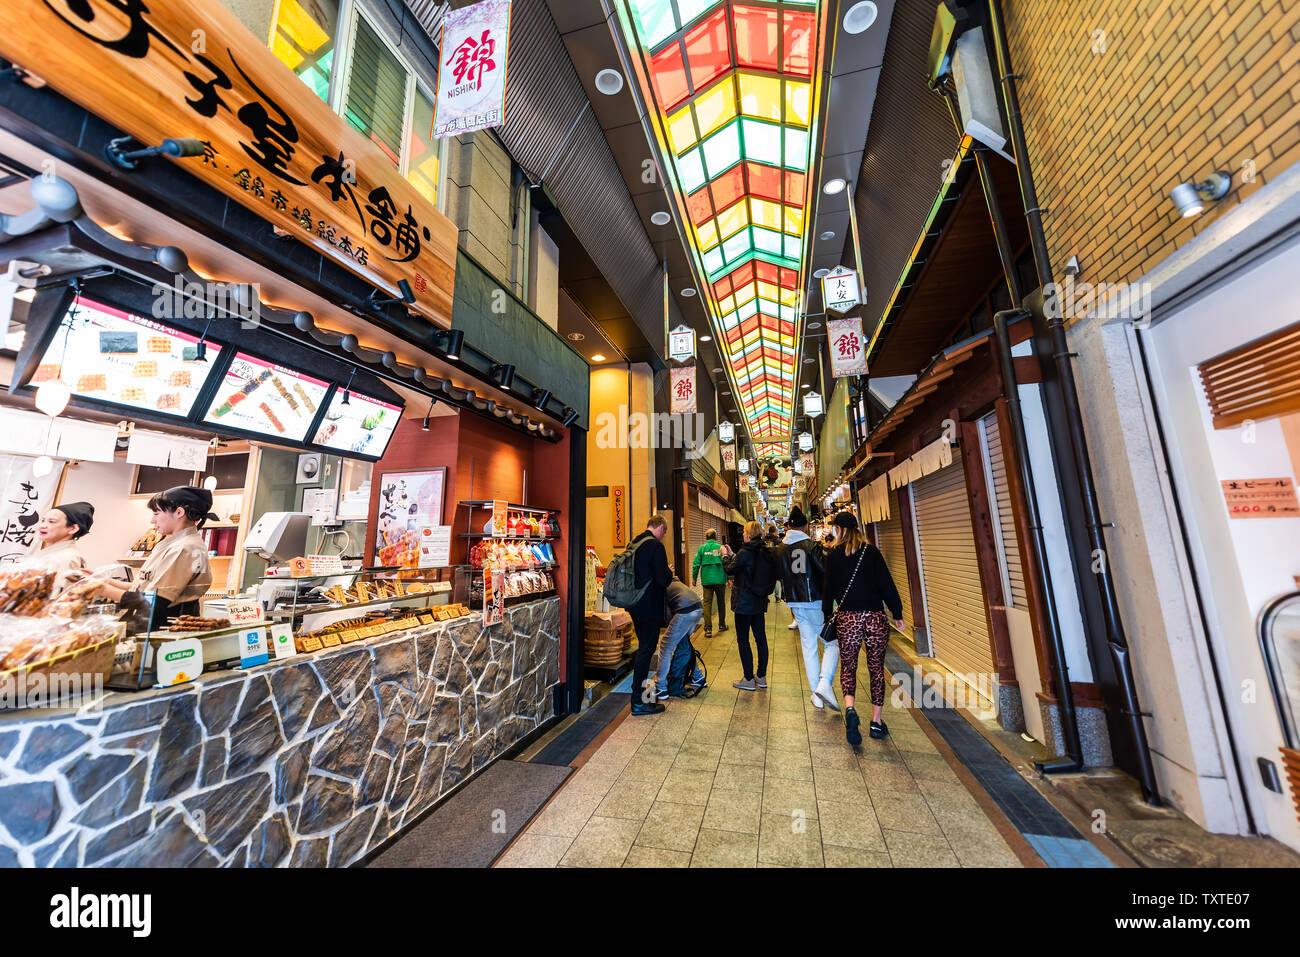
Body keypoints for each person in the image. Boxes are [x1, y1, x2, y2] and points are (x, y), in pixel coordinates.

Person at [822, 512, 905, 747]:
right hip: (874, 617)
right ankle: (876, 723)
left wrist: (827, 615)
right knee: (876, 668)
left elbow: (828, 589)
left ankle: (850, 710)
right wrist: (896, 613)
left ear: (839, 529)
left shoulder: (834, 556)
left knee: (848, 666)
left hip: (848, 618)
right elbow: (886, 584)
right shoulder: (872, 553)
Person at [89, 486, 215, 631]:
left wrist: (98, 588)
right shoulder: (172, 543)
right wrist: (102, 580)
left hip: (165, 632)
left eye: (156, 513)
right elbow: (143, 587)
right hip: (150, 626)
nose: (152, 520)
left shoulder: (185, 548)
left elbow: (154, 600)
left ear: (179, 512)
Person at [779, 506, 840, 710]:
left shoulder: (781, 549)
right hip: (814, 600)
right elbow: (825, 570)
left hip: (795, 603)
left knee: (809, 647)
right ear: (805, 525)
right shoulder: (810, 545)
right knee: (833, 642)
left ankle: (816, 694)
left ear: (788, 527)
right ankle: (823, 685)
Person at [626, 515, 673, 715]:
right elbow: (663, 579)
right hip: (650, 607)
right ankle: (638, 701)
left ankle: (642, 695)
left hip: (634, 605)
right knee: (646, 651)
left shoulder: (634, 543)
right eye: (665, 532)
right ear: (660, 527)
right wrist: (669, 571)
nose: (664, 536)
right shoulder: (655, 546)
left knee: (643, 650)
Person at [726, 520, 776, 691]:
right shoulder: (765, 551)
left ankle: (748, 678)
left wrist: (726, 556)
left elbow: (730, 569)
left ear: (748, 534)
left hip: (744, 603)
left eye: (744, 532)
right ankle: (761, 677)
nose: (742, 535)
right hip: (759, 601)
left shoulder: (745, 552)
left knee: (743, 640)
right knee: (760, 638)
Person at [23, 502, 94, 593]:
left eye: (51, 522)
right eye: (43, 521)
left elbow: (55, 596)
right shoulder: (50, 552)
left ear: (73, 528)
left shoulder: (68, 557)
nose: (43, 526)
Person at [654, 579, 707, 701]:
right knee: (685, 645)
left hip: (685, 611)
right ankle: (698, 678)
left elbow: (667, 616)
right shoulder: (674, 582)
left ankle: (661, 688)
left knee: (665, 646)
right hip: (697, 608)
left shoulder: (662, 586)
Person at [691, 528, 729, 638]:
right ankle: (721, 625)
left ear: (706, 538)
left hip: (707, 580)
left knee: (707, 603)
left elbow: (696, 564)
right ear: (716, 537)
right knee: (721, 602)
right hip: (720, 580)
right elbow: (727, 563)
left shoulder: (702, 549)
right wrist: (730, 578)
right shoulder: (720, 548)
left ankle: (708, 629)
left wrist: (694, 578)